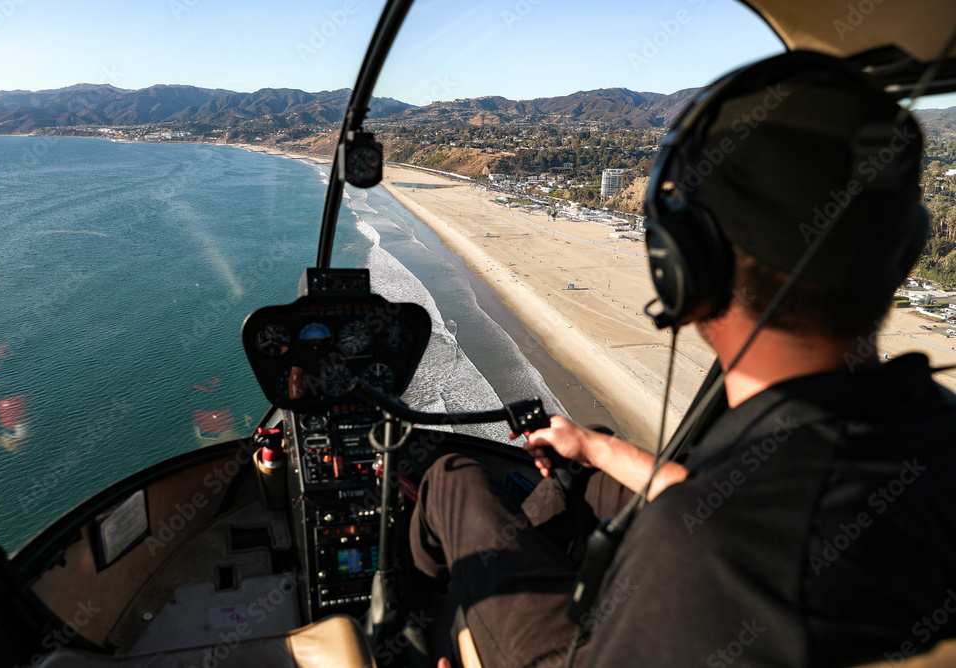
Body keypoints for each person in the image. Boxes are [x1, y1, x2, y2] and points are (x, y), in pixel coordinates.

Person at [409, 51, 956, 668]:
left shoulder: (703, 555)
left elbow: (722, 530)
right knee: (588, 477)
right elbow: (739, 503)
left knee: (453, 479)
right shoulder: (921, 427)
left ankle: (417, 606)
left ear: (688, 271)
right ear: (903, 249)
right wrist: (595, 449)